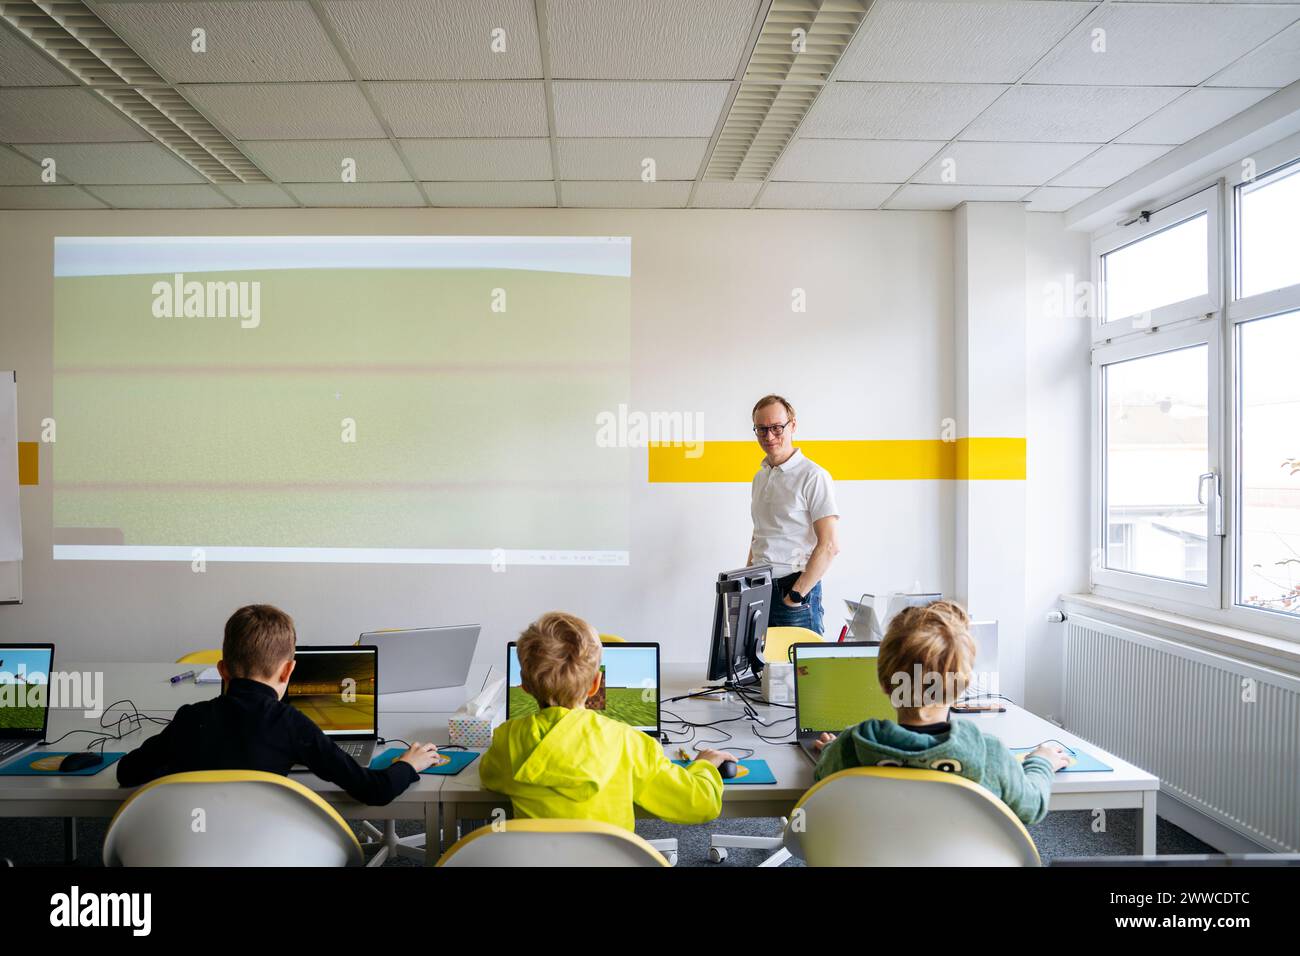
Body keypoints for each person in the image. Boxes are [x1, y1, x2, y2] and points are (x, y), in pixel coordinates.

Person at [117, 604, 439, 804]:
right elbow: (373, 791)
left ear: (221, 670)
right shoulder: (291, 724)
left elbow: (127, 772)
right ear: (288, 670)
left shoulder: (190, 719)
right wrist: (408, 764)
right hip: (270, 848)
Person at [812, 600, 1069, 825]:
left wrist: (831, 749)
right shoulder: (990, 755)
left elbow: (823, 774)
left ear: (884, 683)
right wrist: (1041, 762)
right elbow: (1031, 807)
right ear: (962, 687)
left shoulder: (851, 746)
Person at [480, 611, 733, 831]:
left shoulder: (508, 739)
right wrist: (704, 766)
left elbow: (489, 777)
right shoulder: (629, 742)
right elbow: (699, 803)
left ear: (524, 686)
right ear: (595, 685)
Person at [748, 394, 840, 634]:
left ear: (793, 426)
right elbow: (759, 534)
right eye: (761, 429)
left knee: (802, 671)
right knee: (761, 669)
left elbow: (829, 545)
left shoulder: (813, 476)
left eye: (777, 428)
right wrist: (746, 582)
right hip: (759, 589)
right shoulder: (760, 476)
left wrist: (795, 595)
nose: (769, 436)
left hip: (795, 591)